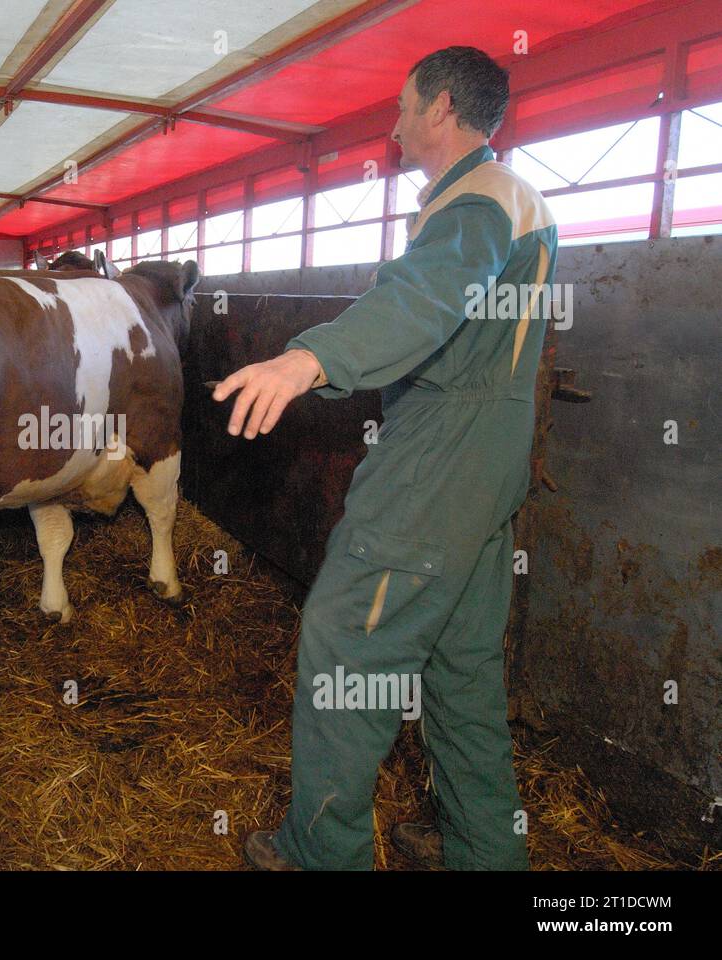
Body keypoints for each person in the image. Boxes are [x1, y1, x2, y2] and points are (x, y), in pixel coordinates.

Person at [217, 46, 557, 870]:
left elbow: (423, 301)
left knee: (347, 642)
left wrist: (310, 359)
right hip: (486, 462)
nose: (395, 123)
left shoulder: (475, 203)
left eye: (404, 106)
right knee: (461, 669)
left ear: (441, 107)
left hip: (436, 463)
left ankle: (319, 851)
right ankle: (482, 847)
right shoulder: (514, 197)